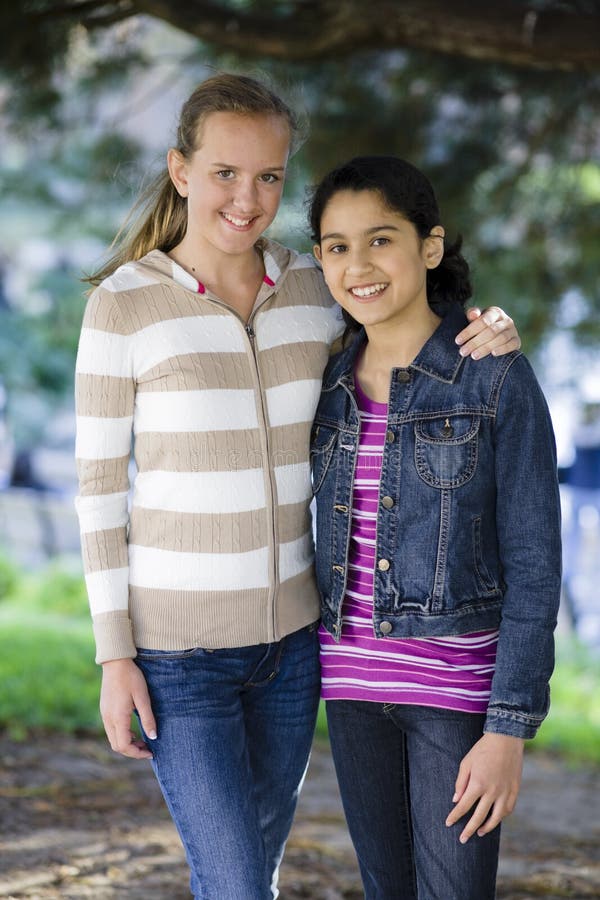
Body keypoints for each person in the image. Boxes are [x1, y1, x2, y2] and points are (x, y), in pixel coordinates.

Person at [74, 74, 521, 900]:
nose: (248, 200)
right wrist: (115, 655)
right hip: (179, 654)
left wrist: (485, 324)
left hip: (293, 649)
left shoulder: (312, 287)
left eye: (270, 177)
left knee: (260, 875)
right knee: (236, 881)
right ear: (180, 171)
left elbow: (404, 316)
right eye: (224, 174)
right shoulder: (123, 307)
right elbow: (98, 494)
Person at [309, 156, 561, 900]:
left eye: (381, 239)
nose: (359, 265)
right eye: (336, 245)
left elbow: (535, 561)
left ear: (430, 246)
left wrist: (509, 726)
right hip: (350, 689)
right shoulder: (322, 382)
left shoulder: (495, 375)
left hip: (455, 698)